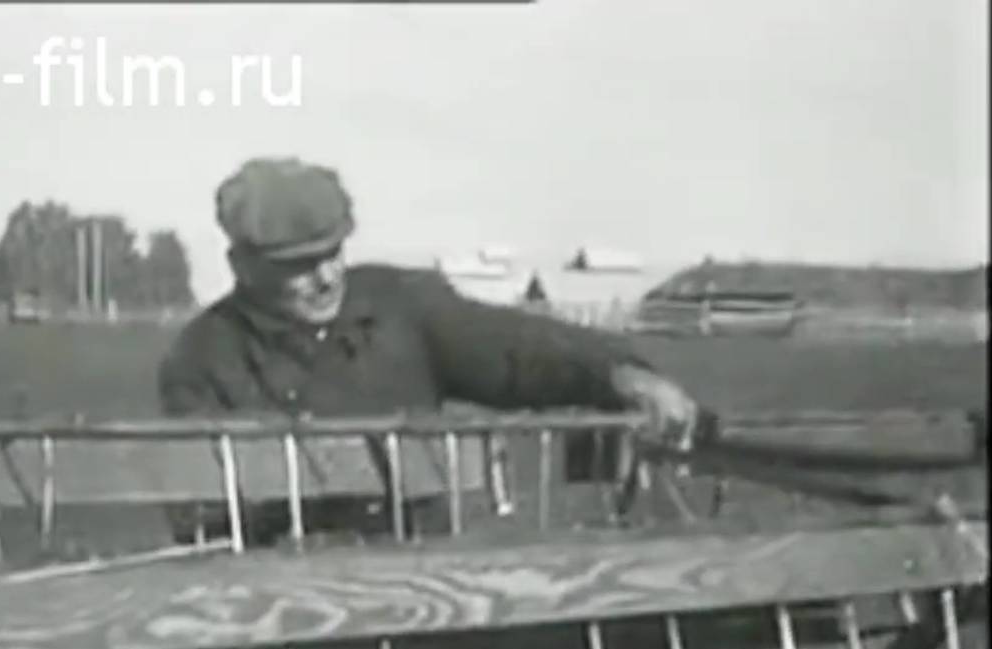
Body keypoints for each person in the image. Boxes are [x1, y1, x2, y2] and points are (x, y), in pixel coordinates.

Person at [158, 156, 704, 546]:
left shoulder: (401, 305)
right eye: (298, 266)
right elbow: (204, 521)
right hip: (290, 615)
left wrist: (620, 374)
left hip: (425, 588)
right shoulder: (203, 358)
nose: (326, 278)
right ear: (242, 266)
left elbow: (514, 349)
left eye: (333, 253)